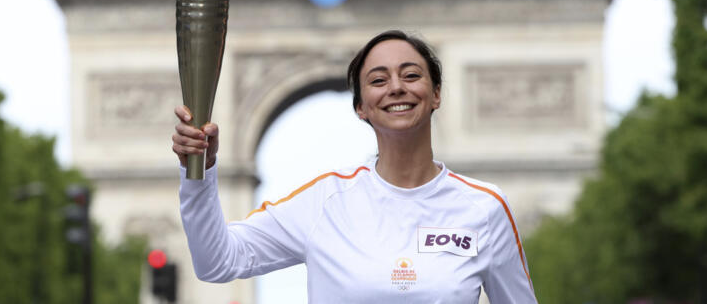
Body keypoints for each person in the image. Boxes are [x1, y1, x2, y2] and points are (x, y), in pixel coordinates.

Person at [172, 29, 537, 303]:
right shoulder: (324, 203)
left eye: (411, 75)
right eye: (378, 80)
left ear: (437, 93)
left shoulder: (485, 208)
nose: (396, 88)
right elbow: (216, 262)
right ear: (360, 107)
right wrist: (199, 171)